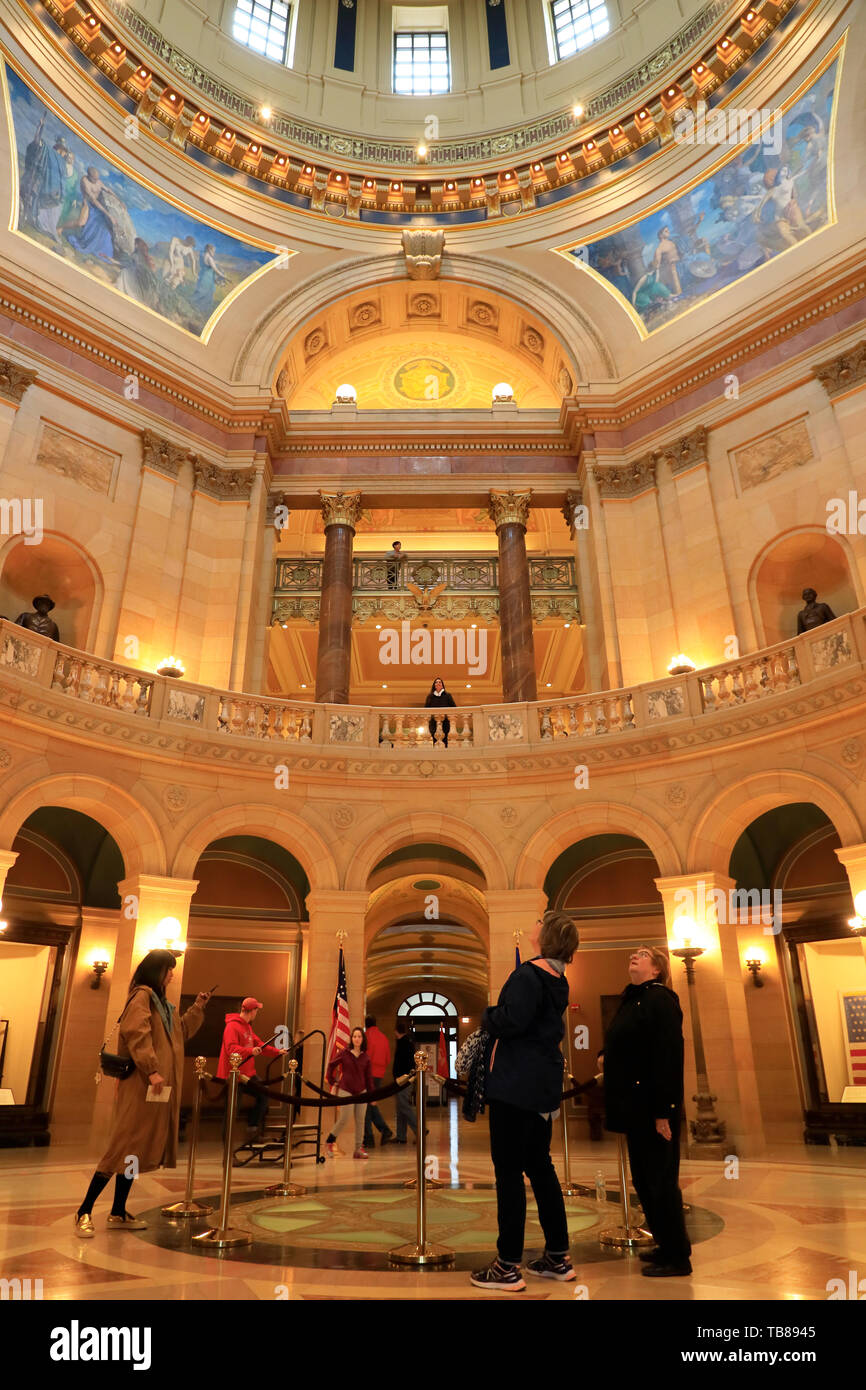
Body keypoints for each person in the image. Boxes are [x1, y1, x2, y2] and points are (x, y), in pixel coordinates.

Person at [470, 909, 580, 1291]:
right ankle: (557, 1255)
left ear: (545, 935)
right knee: (540, 1166)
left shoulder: (528, 975)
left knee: (509, 1172)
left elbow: (512, 1021)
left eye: (539, 922)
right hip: (541, 1088)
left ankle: (507, 1265)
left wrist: (487, 1015)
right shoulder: (558, 978)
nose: (533, 925)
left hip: (515, 1086)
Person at [73, 950, 210, 1237]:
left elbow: (180, 1033)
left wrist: (197, 1007)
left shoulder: (166, 1006)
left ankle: (118, 1211)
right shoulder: (142, 997)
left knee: (135, 1150)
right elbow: (137, 1033)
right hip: (142, 1084)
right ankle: (84, 1210)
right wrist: (152, 1070)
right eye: (168, 969)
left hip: (156, 1088)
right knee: (122, 1146)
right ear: (156, 971)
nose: (172, 974)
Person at [603, 946, 691, 1278]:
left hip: (653, 1108)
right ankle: (665, 1244)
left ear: (657, 969)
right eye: (633, 954)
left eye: (643, 954)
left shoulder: (660, 1000)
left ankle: (677, 1256)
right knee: (644, 1179)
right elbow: (627, 1044)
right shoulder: (635, 999)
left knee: (660, 1181)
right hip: (635, 1108)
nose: (634, 956)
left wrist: (664, 1111)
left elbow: (668, 1056)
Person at [217, 997, 285, 1138]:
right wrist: (250, 1051)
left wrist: (278, 1052)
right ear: (251, 1011)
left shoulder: (247, 1026)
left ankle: (252, 1128)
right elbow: (231, 1049)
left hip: (248, 1074)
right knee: (231, 1112)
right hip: (235, 1075)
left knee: (263, 1094)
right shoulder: (232, 1026)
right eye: (256, 1010)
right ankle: (227, 1147)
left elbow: (259, 1044)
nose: (257, 1013)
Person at [325, 1026, 374, 1159]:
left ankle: (358, 1149)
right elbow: (331, 1065)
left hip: (362, 1091)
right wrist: (331, 1081)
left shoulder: (366, 1057)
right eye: (355, 1036)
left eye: (359, 1036)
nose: (357, 1039)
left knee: (360, 1120)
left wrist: (372, 1094)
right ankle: (330, 1141)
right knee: (344, 1118)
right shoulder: (345, 1053)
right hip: (345, 1089)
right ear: (351, 1039)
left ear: (363, 1039)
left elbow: (369, 1078)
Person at [362, 1014, 394, 1148]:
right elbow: (387, 1058)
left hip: (368, 1074)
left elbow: (365, 1057)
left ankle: (369, 1137)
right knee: (370, 1104)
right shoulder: (384, 1037)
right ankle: (384, 1130)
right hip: (379, 1075)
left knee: (365, 1106)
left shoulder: (366, 1037)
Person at [392, 1019, 418, 1143]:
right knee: (400, 1107)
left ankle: (420, 1130)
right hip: (402, 1079)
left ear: (396, 1031)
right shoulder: (407, 1042)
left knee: (403, 1106)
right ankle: (401, 1136)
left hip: (403, 1079)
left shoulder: (404, 1043)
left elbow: (402, 1063)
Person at [425, 676, 456, 746]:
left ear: (442, 685)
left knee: (445, 740)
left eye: (440, 682)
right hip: (433, 722)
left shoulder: (447, 695)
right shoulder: (430, 696)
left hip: (445, 722)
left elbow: (454, 707)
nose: (438, 683)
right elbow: (426, 709)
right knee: (435, 740)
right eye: (436, 682)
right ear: (434, 685)